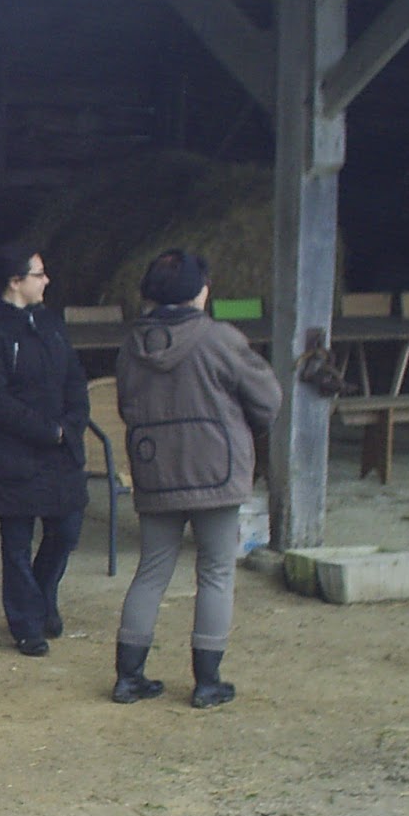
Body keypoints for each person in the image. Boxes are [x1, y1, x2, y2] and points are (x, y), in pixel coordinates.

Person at [111, 249, 282, 708]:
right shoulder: (219, 338)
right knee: (216, 573)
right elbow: (267, 399)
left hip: (155, 469)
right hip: (216, 469)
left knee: (151, 571)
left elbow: (125, 404)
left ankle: (129, 678)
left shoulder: (133, 343)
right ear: (201, 291)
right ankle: (207, 682)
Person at [0, 244, 89, 657]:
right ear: (15, 282)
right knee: (16, 541)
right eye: (38, 274)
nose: (47, 280)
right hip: (12, 452)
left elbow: (74, 376)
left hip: (59, 447)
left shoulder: (51, 321)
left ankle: (42, 593)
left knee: (66, 530)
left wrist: (71, 424)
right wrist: (46, 430)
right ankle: (26, 622)